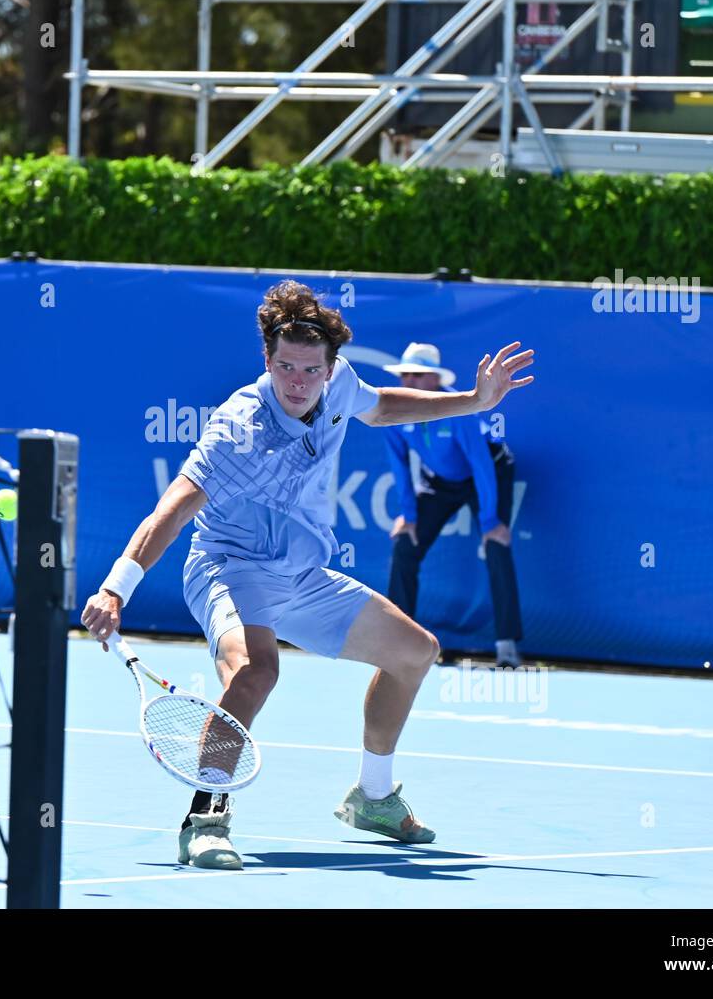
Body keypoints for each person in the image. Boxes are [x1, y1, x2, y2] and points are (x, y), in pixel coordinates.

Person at [81, 280, 534, 870]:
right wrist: (117, 586)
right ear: (267, 361)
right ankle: (204, 820)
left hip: (301, 574)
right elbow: (173, 507)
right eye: (285, 367)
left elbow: (382, 408)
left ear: (330, 368)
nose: (298, 382)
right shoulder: (237, 428)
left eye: (310, 369)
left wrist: (473, 401)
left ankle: (374, 797)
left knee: (414, 652)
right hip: (230, 567)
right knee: (255, 672)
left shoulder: (340, 383)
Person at [382, 343, 525, 668]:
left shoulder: (461, 409)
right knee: (406, 541)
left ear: (435, 379)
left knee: (496, 545)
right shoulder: (395, 413)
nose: (410, 382)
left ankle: (507, 646)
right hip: (441, 481)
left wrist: (491, 521)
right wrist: (409, 514)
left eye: (418, 376)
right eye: (406, 376)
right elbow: (400, 465)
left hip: (488, 471)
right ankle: (394, 644)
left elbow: (481, 464)